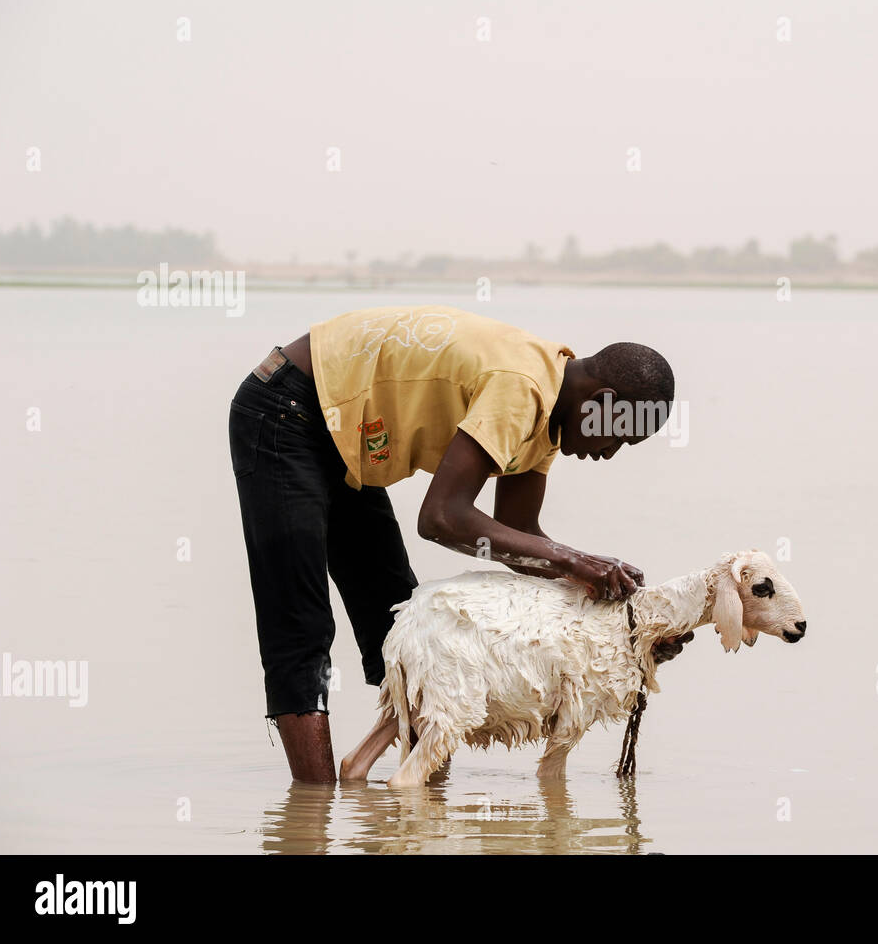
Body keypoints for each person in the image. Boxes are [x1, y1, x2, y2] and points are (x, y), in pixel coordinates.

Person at [228, 305, 686, 783]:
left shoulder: (550, 411)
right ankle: (312, 811)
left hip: (346, 436)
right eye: (619, 437)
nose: (608, 453)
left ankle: (418, 792)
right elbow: (442, 518)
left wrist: (628, 625)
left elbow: (519, 533)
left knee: (399, 620)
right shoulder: (522, 386)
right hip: (288, 408)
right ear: (603, 401)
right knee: (299, 623)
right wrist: (577, 560)